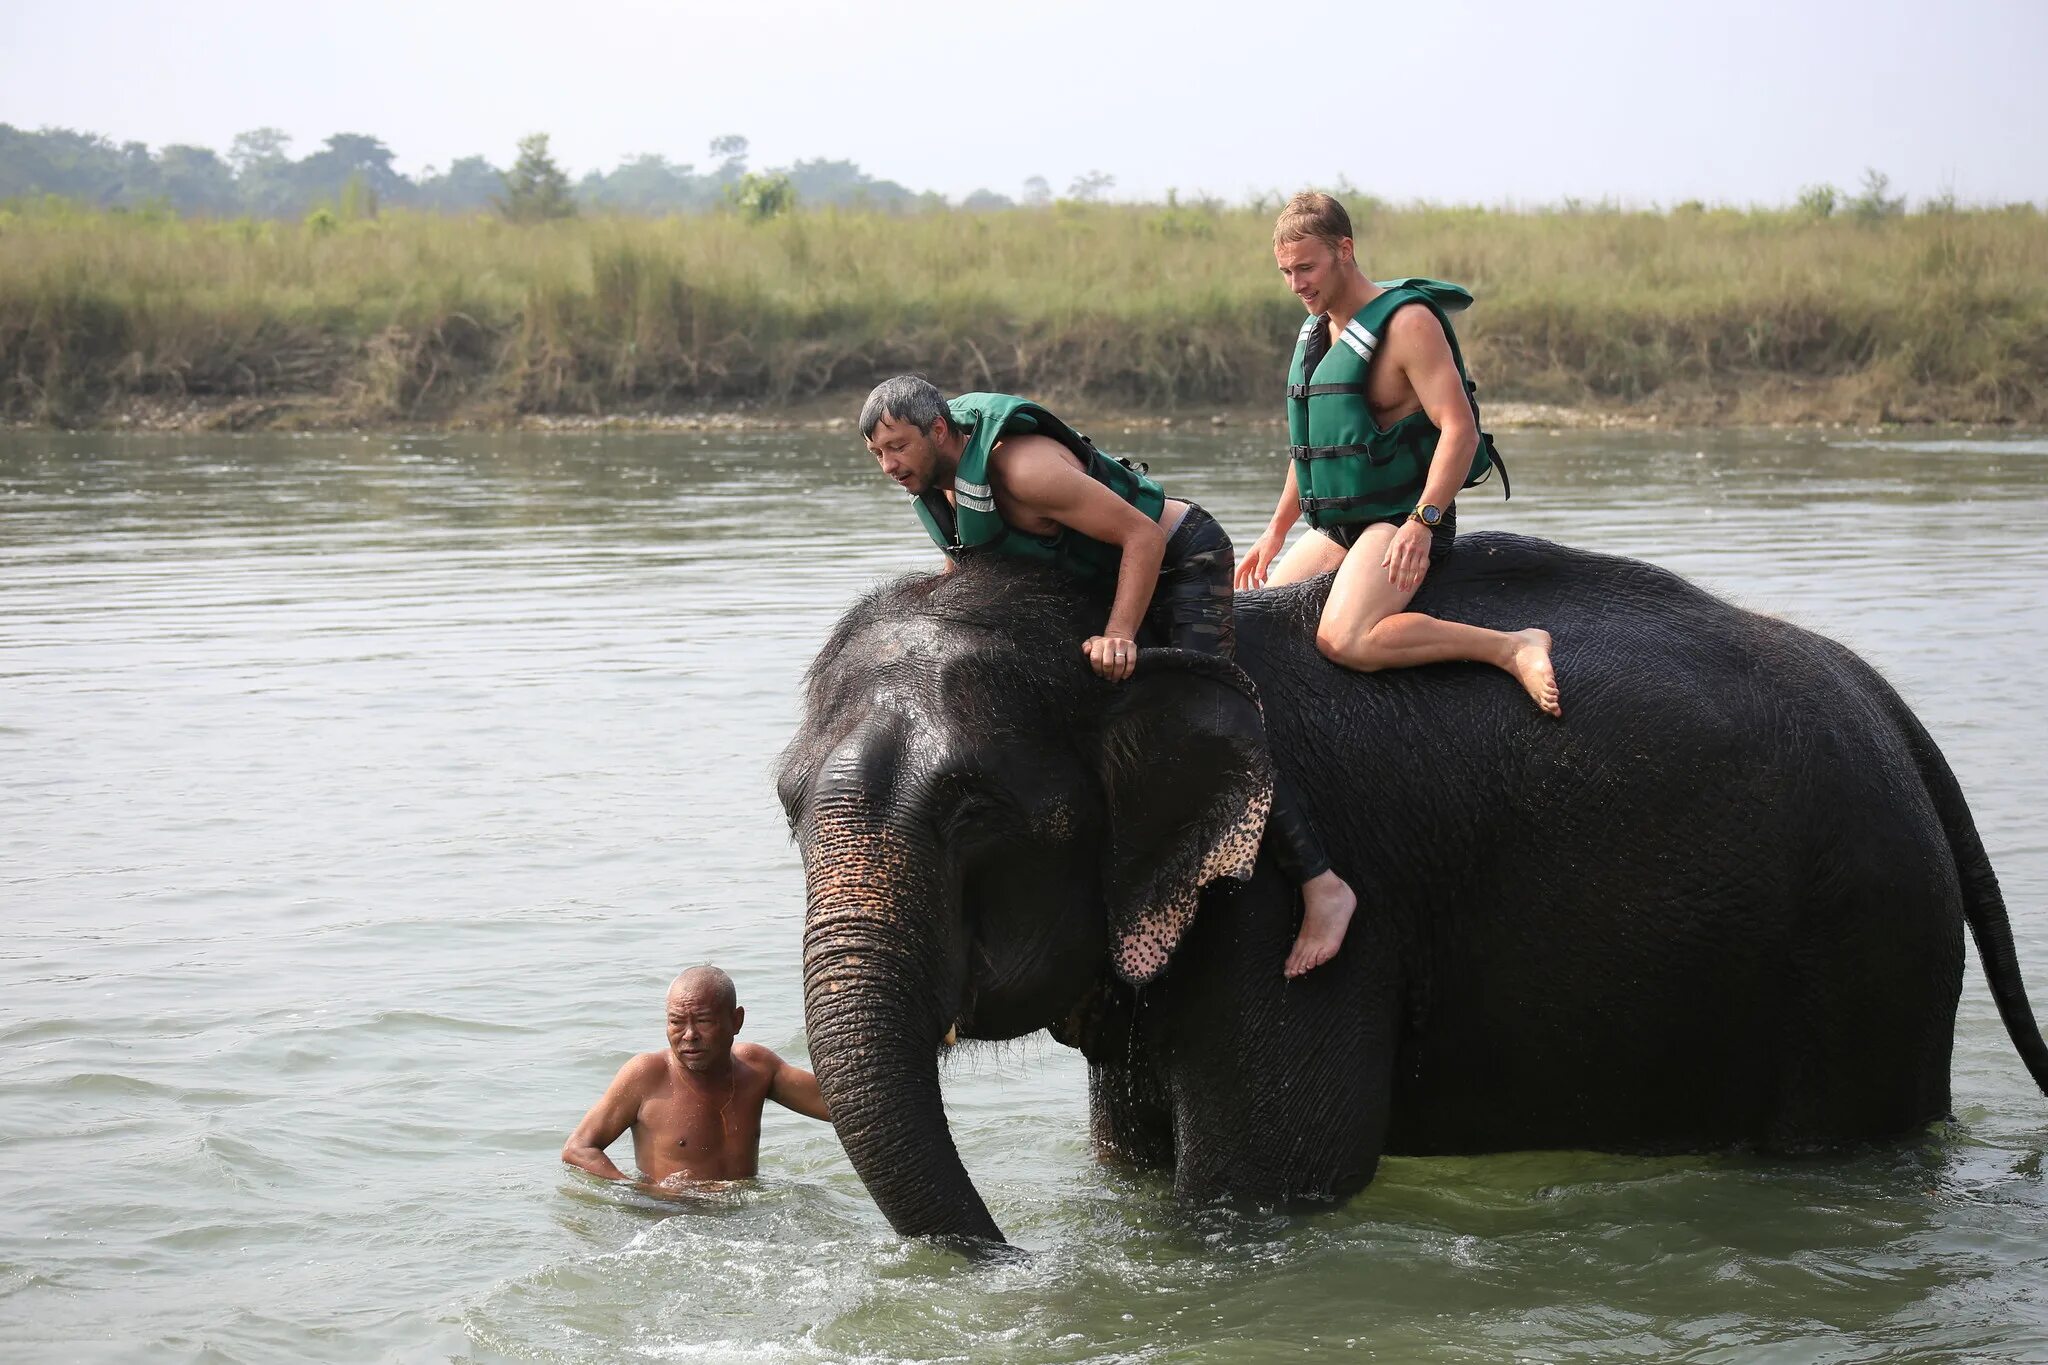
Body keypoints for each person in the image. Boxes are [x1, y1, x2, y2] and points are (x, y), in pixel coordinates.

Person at [860, 376, 1356, 977]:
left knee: (1204, 720)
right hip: (1097, 574)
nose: (889, 465)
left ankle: (1321, 884)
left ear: (939, 431)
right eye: (878, 454)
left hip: (1178, 561)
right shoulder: (938, 482)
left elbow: (1141, 536)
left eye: (898, 448)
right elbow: (970, 559)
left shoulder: (1023, 471)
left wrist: (1121, 633)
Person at [1234, 192, 1562, 719]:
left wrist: (1422, 522)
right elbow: (1317, 446)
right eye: (1286, 272)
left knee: (1346, 639)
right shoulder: (1318, 332)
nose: (1297, 285)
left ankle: (1512, 645)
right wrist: (1274, 531)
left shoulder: (1408, 324)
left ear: (1345, 249)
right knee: (1261, 616)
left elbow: (1460, 431)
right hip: (1338, 524)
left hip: (1399, 517)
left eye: (1306, 268)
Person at [561, 966, 829, 1185]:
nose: (689, 1035)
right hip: (673, 1219)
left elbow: (840, 1107)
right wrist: (639, 1193)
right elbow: (578, 1149)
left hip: (746, 1213)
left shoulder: (757, 1068)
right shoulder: (646, 1074)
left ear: (736, 1021)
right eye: (676, 1022)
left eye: (703, 1021)